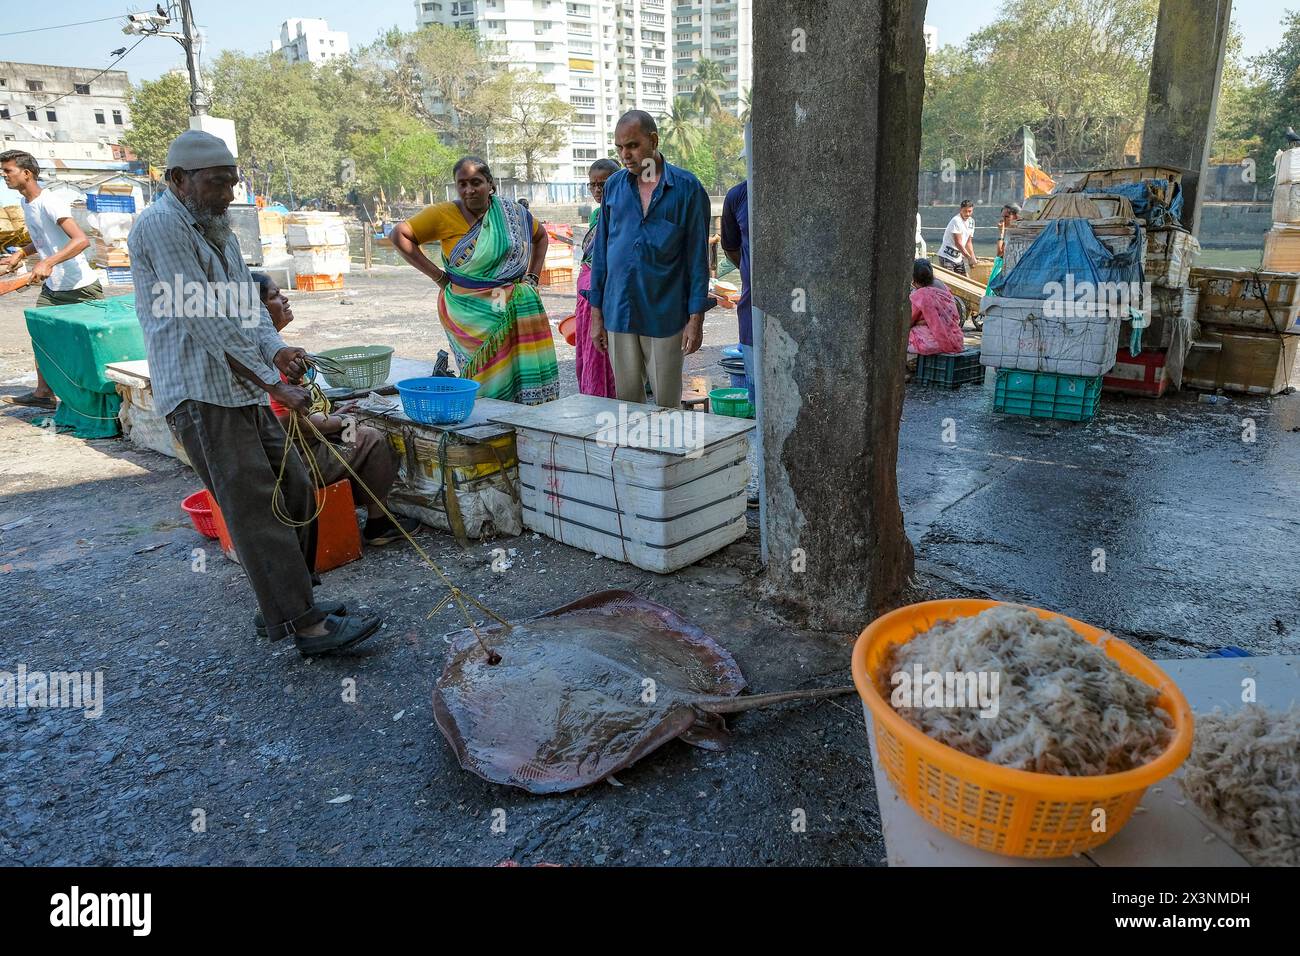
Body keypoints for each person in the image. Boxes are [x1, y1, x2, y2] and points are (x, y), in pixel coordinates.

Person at [128, 129, 381, 657]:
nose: (227, 194)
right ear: (179, 179)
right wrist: (271, 383)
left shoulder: (216, 226)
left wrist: (278, 352)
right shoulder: (162, 226)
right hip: (201, 394)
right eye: (217, 183)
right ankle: (305, 627)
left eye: (231, 183)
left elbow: (245, 308)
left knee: (292, 488)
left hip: (238, 387)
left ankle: (290, 605)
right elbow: (203, 321)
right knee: (256, 509)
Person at [253, 272, 421, 548]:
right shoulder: (271, 361)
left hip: (297, 445)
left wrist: (334, 414)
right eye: (274, 296)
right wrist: (340, 421)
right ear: (257, 312)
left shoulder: (271, 353)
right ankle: (379, 523)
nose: (284, 299)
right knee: (370, 437)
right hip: (295, 458)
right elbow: (285, 420)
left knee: (356, 430)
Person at [391, 157, 558, 405]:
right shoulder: (442, 214)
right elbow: (400, 235)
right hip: (466, 311)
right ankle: (487, 422)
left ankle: (517, 424)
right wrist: (437, 276)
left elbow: (541, 236)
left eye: (476, 182)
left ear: (490, 184)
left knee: (515, 368)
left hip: (510, 305)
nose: (469, 190)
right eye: (462, 184)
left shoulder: (512, 213)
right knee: (481, 374)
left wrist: (532, 277)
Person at [588, 110, 713, 408]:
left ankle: (668, 456)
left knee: (666, 405)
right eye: (619, 148)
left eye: (632, 145)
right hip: (619, 310)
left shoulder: (687, 189)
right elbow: (602, 254)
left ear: (653, 140)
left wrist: (696, 319)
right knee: (627, 403)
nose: (625, 155)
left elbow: (697, 259)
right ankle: (634, 456)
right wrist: (597, 315)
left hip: (665, 313)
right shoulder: (615, 187)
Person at [0, 149, 103, 409]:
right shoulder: (26, 203)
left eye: (8, 171)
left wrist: (48, 262)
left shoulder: (50, 201)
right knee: (41, 336)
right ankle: (43, 393)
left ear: (27, 173)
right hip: (54, 287)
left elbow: (81, 240)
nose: (4, 176)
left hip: (80, 287)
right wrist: (21, 254)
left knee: (92, 342)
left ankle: (103, 394)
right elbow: (42, 240)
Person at [574, 158, 619, 397]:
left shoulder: (625, 211)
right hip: (588, 292)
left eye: (603, 184)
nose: (597, 190)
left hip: (608, 290)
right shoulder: (595, 215)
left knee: (610, 349)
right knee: (590, 344)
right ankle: (593, 393)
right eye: (592, 185)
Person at [720, 176, 754, 409]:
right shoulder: (738, 196)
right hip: (751, 313)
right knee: (756, 393)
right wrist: (751, 272)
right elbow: (730, 246)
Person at [909, 259, 965, 359]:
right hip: (957, 340)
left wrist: (921, 322)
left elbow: (908, 321)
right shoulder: (943, 286)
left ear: (914, 279)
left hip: (937, 343)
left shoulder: (920, 295)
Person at [937, 199, 977, 275]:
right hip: (947, 257)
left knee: (964, 281)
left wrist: (972, 256)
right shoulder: (956, 220)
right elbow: (958, 243)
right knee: (949, 283)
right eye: (965, 211)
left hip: (958, 258)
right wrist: (969, 258)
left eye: (970, 211)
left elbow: (968, 242)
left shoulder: (971, 221)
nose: (967, 214)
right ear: (960, 210)